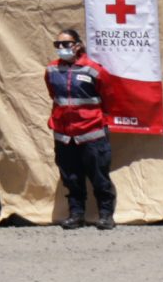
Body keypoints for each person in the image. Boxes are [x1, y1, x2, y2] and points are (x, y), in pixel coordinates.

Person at [46, 25, 116, 230]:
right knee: (71, 178)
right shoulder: (51, 70)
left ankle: (105, 215)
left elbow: (108, 98)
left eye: (65, 44)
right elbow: (53, 95)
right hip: (64, 135)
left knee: (99, 177)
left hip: (91, 133)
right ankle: (76, 215)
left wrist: (97, 121)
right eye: (57, 44)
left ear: (77, 45)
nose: (61, 48)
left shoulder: (93, 70)